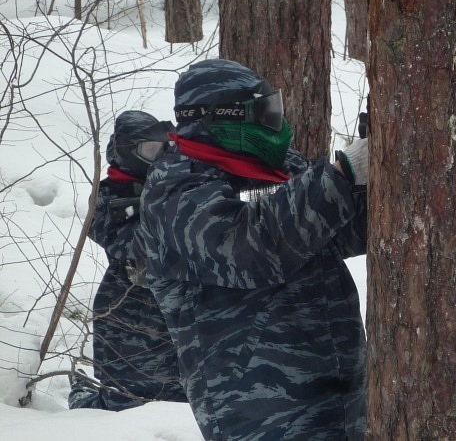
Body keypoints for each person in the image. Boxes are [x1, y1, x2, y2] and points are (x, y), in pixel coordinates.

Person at [139, 59, 369, 439]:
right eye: (263, 112)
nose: (276, 123)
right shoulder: (174, 189)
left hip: (341, 395)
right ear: (220, 117)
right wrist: (342, 174)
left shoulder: (279, 169)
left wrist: (381, 170)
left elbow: (341, 231)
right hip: (258, 411)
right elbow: (252, 251)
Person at [68, 110, 187, 411]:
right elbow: (133, 245)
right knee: (122, 402)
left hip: (176, 308)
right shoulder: (107, 197)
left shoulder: (175, 182)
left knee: (183, 399)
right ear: (125, 151)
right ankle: (82, 398)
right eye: (150, 150)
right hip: (128, 311)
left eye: (165, 147)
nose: (160, 157)